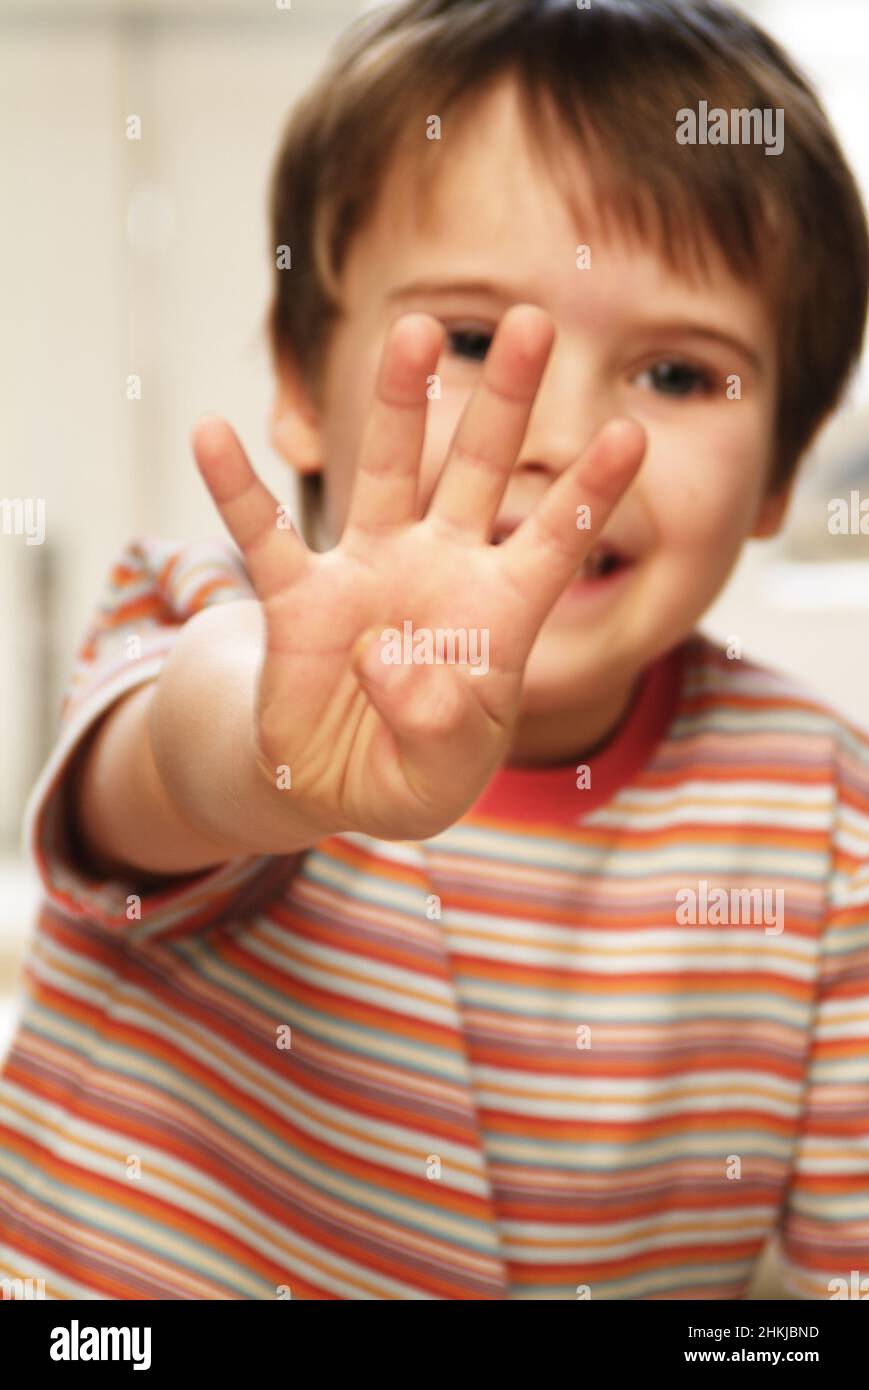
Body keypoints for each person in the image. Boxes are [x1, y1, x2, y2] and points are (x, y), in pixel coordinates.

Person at [1, 0, 867, 1300]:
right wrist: (274, 764)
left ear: (778, 473)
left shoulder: (822, 810)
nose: (562, 436)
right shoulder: (205, 625)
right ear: (299, 383)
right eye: (471, 341)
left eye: (678, 376)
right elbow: (161, 771)